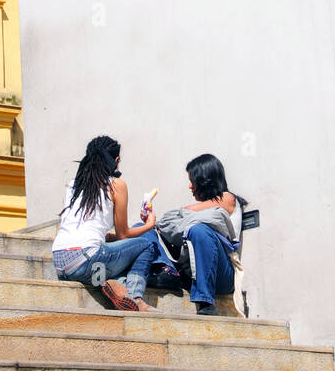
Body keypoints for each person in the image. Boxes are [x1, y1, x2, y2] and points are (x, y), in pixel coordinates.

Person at [51, 135, 160, 311]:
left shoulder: (73, 185)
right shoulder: (116, 184)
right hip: (88, 261)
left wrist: (107, 238)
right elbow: (123, 234)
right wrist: (149, 225)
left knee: (111, 256)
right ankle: (135, 297)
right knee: (146, 246)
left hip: (61, 265)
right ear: (116, 160)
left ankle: (116, 286)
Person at [155, 153, 247, 316]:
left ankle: (206, 303)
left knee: (199, 230)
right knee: (145, 228)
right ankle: (166, 272)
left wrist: (177, 219)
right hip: (191, 267)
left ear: (205, 179)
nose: (190, 186)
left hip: (222, 273)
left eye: (192, 180)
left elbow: (185, 213)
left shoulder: (228, 198)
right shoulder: (206, 208)